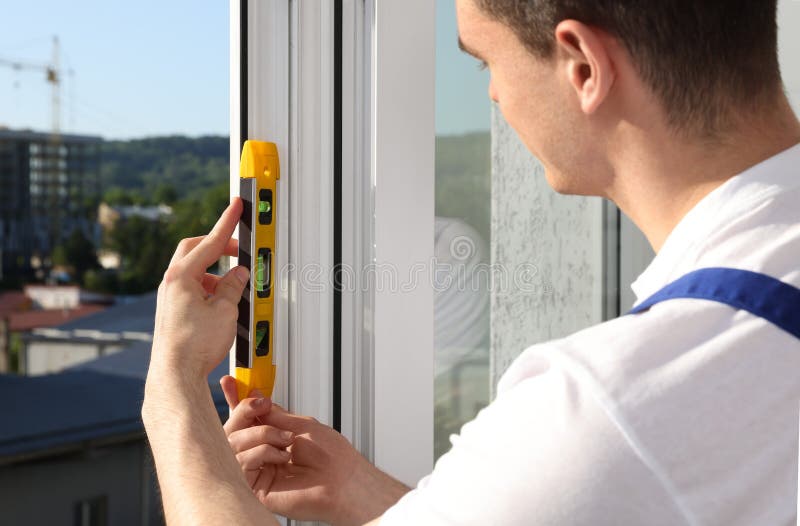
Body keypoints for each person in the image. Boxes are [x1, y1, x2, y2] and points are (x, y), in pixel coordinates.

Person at [142, 0, 800, 524]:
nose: (490, 96)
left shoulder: (616, 406)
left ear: (583, 67)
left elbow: (619, 464)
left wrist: (173, 386)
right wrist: (368, 493)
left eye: (484, 60)